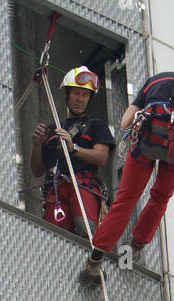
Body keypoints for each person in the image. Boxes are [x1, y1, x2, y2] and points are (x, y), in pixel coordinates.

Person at [78, 62, 174, 287]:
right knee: (159, 198)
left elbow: (126, 122)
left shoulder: (156, 79)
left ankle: (94, 263)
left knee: (125, 200)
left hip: (145, 142)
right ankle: (134, 247)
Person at [30, 67, 114, 237]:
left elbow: (101, 157)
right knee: (55, 239)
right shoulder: (53, 129)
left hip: (82, 187)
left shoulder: (96, 126)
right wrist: (37, 146)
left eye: (85, 95)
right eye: (76, 93)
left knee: (85, 230)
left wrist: (73, 148)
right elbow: (37, 170)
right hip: (56, 190)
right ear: (67, 94)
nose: (80, 99)